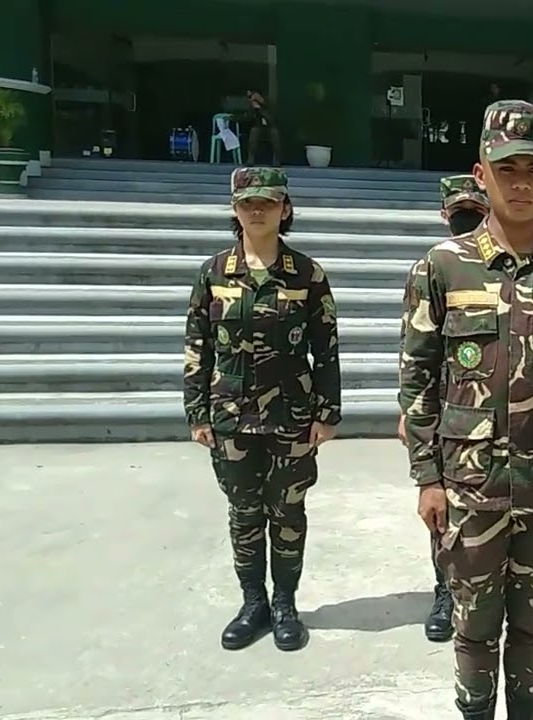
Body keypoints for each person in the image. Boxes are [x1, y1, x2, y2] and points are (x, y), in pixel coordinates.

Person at [398, 100, 533, 720]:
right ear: (480, 174)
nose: (521, 183)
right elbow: (416, 379)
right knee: (471, 627)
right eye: (507, 168)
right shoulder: (440, 267)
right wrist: (427, 477)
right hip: (469, 487)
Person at [183, 166, 341, 651]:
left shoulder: (307, 275)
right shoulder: (213, 274)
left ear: (284, 209)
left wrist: (327, 413)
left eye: (267, 203)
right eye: (248, 203)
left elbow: (327, 349)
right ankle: (253, 602)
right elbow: (197, 346)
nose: (257, 210)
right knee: (244, 513)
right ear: (235, 209)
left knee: (288, 513)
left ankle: (285, 604)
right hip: (230, 417)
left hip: (292, 416)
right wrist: (197, 413)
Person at [398, 173, 491, 644]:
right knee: (443, 513)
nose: (465, 217)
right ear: (444, 214)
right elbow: (416, 357)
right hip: (443, 415)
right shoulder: (433, 269)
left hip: (489, 418)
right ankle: (444, 591)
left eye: (473, 209)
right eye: (459, 211)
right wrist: (412, 416)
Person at [245, 90, 280, 166]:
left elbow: (272, 119)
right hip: (259, 127)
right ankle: (250, 158)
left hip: (270, 127)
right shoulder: (251, 106)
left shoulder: (269, 104)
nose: (251, 99)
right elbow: (248, 118)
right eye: (249, 97)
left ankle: (276, 159)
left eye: (252, 96)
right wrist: (254, 110)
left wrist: (260, 109)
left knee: (274, 133)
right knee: (254, 131)